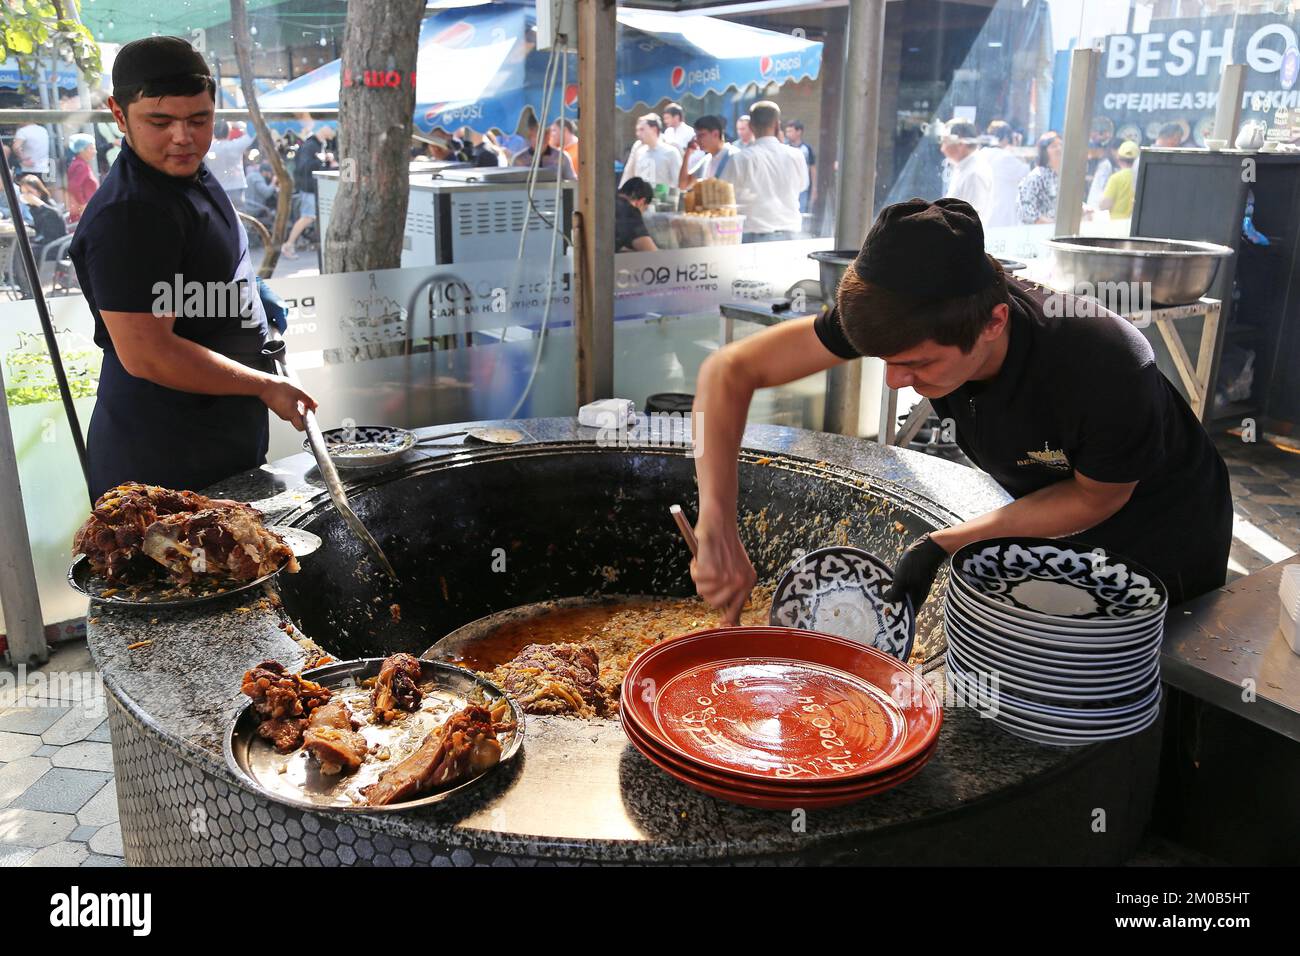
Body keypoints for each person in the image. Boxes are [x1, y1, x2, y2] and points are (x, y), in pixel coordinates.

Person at [687, 198, 1232, 624]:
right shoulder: (910, 313)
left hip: (1160, 534)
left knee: (1132, 699)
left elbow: (1097, 496)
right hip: (1043, 514)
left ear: (994, 322)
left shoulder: (1105, 363)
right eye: (882, 360)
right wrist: (716, 522)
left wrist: (949, 540)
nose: (896, 380)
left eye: (916, 364)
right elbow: (728, 372)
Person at [67, 35, 316, 500]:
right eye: (159, 121)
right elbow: (148, 353)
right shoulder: (130, 214)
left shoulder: (187, 172)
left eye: (199, 119)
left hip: (220, 442)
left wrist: (254, 295)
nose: (183, 137)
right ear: (119, 115)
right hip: (162, 465)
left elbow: (208, 267)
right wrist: (264, 385)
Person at [718, 100, 807, 242]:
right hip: (790, 234)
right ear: (777, 125)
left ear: (751, 127)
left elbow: (723, 195)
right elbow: (802, 186)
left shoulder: (740, 159)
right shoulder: (796, 155)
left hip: (753, 234)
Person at [282, 123, 335, 259]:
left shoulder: (318, 145)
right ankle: (288, 245)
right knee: (308, 217)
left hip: (311, 187)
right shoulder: (311, 145)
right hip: (308, 188)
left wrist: (325, 161)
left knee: (310, 217)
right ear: (323, 128)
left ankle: (289, 244)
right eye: (331, 127)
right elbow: (304, 166)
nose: (333, 131)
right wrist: (322, 160)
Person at [940, 120, 992, 223]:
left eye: (945, 141)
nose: (942, 148)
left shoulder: (974, 173)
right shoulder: (964, 167)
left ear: (961, 143)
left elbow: (972, 219)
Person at [981, 120, 1029, 229]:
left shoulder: (982, 153)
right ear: (1006, 138)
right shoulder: (1005, 157)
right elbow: (1026, 173)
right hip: (1004, 210)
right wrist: (1017, 147)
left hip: (987, 209)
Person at [618, 113, 681, 189]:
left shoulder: (671, 152)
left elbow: (678, 182)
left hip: (663, 199)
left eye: (642, 129)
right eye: (637, 130)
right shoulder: (639, 151)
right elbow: (629, 172)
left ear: (654, 129)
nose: (638, 134)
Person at [677, 114, 739, 190]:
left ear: (715, 134)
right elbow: (683, 185)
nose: (696, 140)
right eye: (696, 136)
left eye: (701, 135)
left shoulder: (735, 156)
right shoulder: (706, 160)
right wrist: (687, 154)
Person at [17, 174, 67, 257]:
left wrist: (38, 203)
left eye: (30, 192)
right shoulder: (33, 207)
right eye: (23, 193)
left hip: (55, 247)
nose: (27, 195)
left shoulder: (48, 203)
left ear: (39, 192)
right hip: (43, 243)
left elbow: (55, 213)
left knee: (22, 251)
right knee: (18, 246)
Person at [1017, 131, 1061, 225]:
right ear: (1044, 152)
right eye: (1054, 146)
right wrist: (1053, 225)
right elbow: (1026, 212)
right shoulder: (1035, 178)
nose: (1059, 149)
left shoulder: (1062, 178)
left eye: (1060, 145)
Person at [511, 115, 576, 179]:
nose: (544, 137)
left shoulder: (562, 158)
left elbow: (571, 183)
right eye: (539, 132)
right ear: (530, 133)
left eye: (547, 132)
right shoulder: (518, 160)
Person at [208, 119, 254, 209]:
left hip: (216, 187)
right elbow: (252, 133)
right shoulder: (235, 145)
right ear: (229, 132)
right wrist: (236, 123)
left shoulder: (209, 148)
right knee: (239, 217)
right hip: (236, 187)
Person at [783, 119, 816, 214]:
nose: (787, 134)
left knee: (800, 213)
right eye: (786, 131)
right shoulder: (784, 147)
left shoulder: (806, 148)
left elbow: (812, 168)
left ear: (799, 132)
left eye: (790, 131)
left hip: (802, 187)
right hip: (787, 186)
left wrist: (814, 188)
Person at [615, 177, 657, 252]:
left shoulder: (610, 200)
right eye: (644, 209)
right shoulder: (630, 213)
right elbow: (652, 253)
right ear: (641, 202)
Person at [1099, 140, 1139, 219]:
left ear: (1118, 159)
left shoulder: (1116, 178)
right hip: (1133, 224)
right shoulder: (1141, 178)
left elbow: (1105, 205)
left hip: (1116, 225)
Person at [66, 133, 100, 223]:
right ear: (82, 150)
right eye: (91, 148)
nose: (95, 151)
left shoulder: (80, 163)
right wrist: (83, 204)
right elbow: (74, 187)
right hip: (83, 214)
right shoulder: (80, 166)